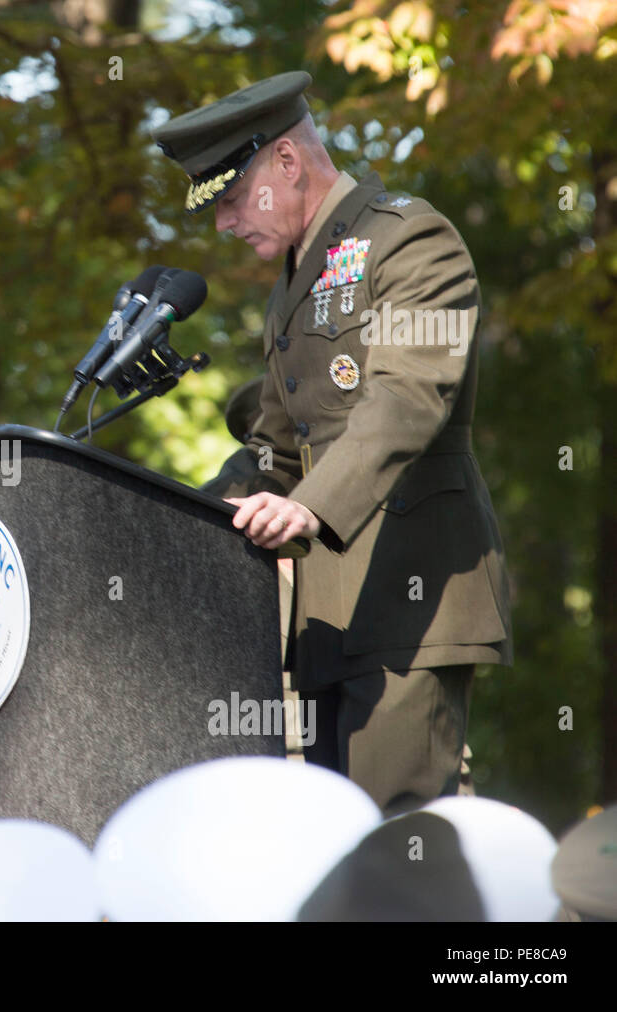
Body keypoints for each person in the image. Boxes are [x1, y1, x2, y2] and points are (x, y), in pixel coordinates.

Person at [151, 71, 513, 814]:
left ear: (286, 162)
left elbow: (410, 393)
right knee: (332, 849)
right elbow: (280, 444)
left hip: (414, 599)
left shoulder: (412, 238)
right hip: (328, 618)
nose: (222, 224)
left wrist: (310, 508)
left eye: (227, 198)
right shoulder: (292, 282)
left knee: (395, 845)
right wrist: (196, 509)